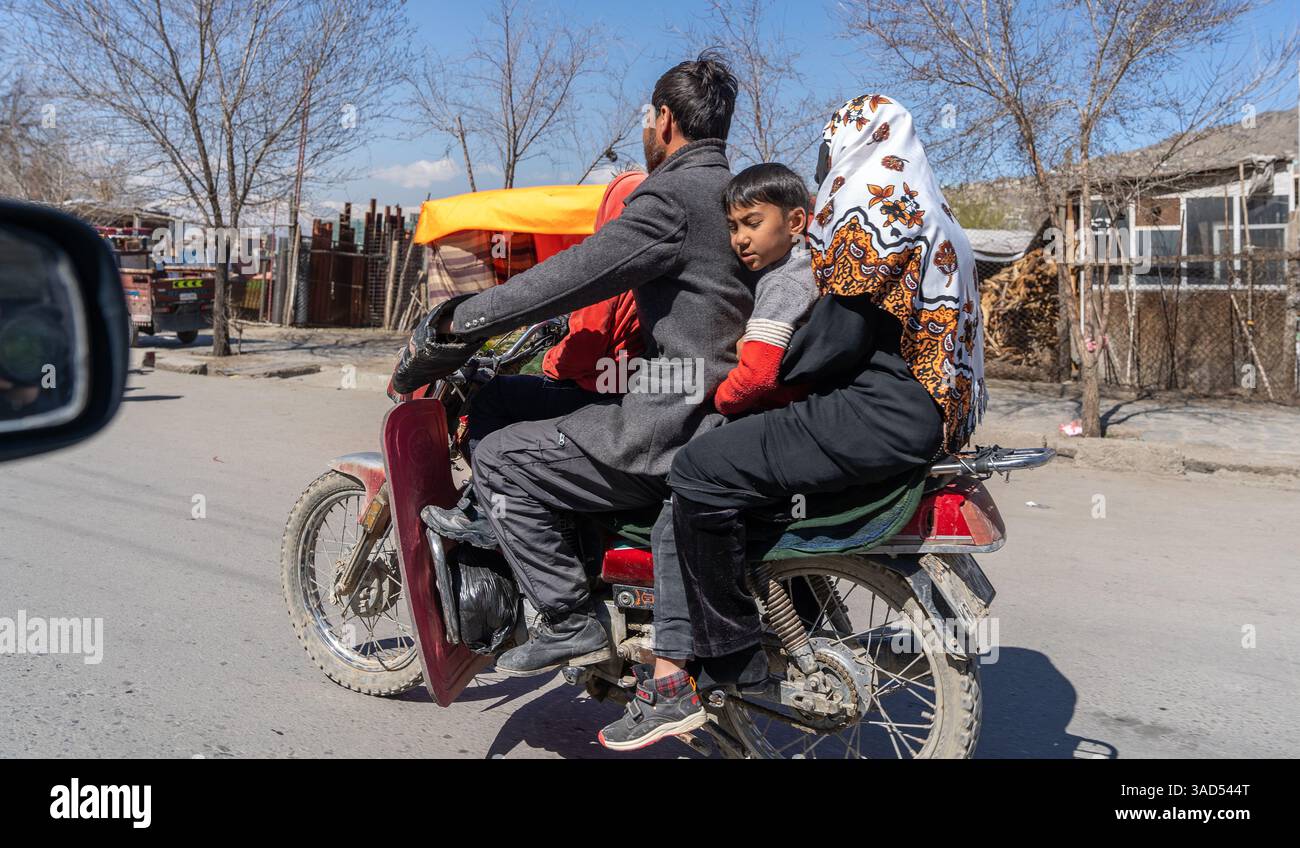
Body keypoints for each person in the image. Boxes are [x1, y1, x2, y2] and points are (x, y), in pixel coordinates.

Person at [598, 94, 987, 751]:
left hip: (879, 412)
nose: (826, 162)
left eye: (831, 150)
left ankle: (716, 663)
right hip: (914, 411)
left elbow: (835, 339)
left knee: (698, 470)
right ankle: (775, 612)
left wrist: (755, 377)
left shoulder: (878, 206)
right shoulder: (930, 211)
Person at [391, 54, 748, 688]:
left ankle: (568, 615)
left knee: (500, 454)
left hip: (671, 421)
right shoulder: (735, 194)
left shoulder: (671, 194)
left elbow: (577, 273)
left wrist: (463, 319)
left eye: (648, 118)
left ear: (664, 121)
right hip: (704, 402)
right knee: (506, 398)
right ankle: (537, 544)